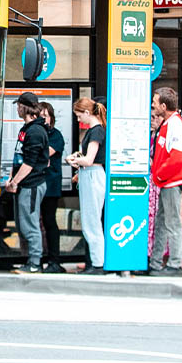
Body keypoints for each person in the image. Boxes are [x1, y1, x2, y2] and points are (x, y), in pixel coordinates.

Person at [4, 92, 49, 274]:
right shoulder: (27, 129)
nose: (17, 108)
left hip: (31, 184)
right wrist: (12, 177)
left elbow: (29, 163)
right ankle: (31, 260)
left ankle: (35, 262)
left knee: (30, 224)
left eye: (19, 105)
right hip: (25, 183)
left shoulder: (35, 131)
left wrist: (14, 181)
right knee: (24, 223)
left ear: (25, 107)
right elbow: (19, 158)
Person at [147, 87, 182, 276]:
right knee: (162, 222)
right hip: (167, 182)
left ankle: (174, 264)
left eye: (155, 102)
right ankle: (156, 263)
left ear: (164, 106)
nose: (152, 105)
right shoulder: (168, 124)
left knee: (171, 224)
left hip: (171, 182)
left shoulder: (174, 124)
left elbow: (178, 157)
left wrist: (159, 174)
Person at [69, 97, 107, 274]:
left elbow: (89, 159)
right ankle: (96, 262)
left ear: (86, 112)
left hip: (92, 174)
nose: (78, 120)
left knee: (92, 222)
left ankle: (97, 263)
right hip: (91, 174)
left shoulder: (96, 130)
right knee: (91, 221)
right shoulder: (97, 129)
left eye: (79, 116)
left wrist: (74, 159)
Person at [38, 102, 65, 273]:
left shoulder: (56, 135)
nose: (43, 119)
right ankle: (36, 258)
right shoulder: (33, 133)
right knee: (34, 222)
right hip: (35, 182)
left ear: (51, 118)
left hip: (50, 185)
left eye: (45, 116)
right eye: (39, 116)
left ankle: (54, 260)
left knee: (49, 221)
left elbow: (43, 154)